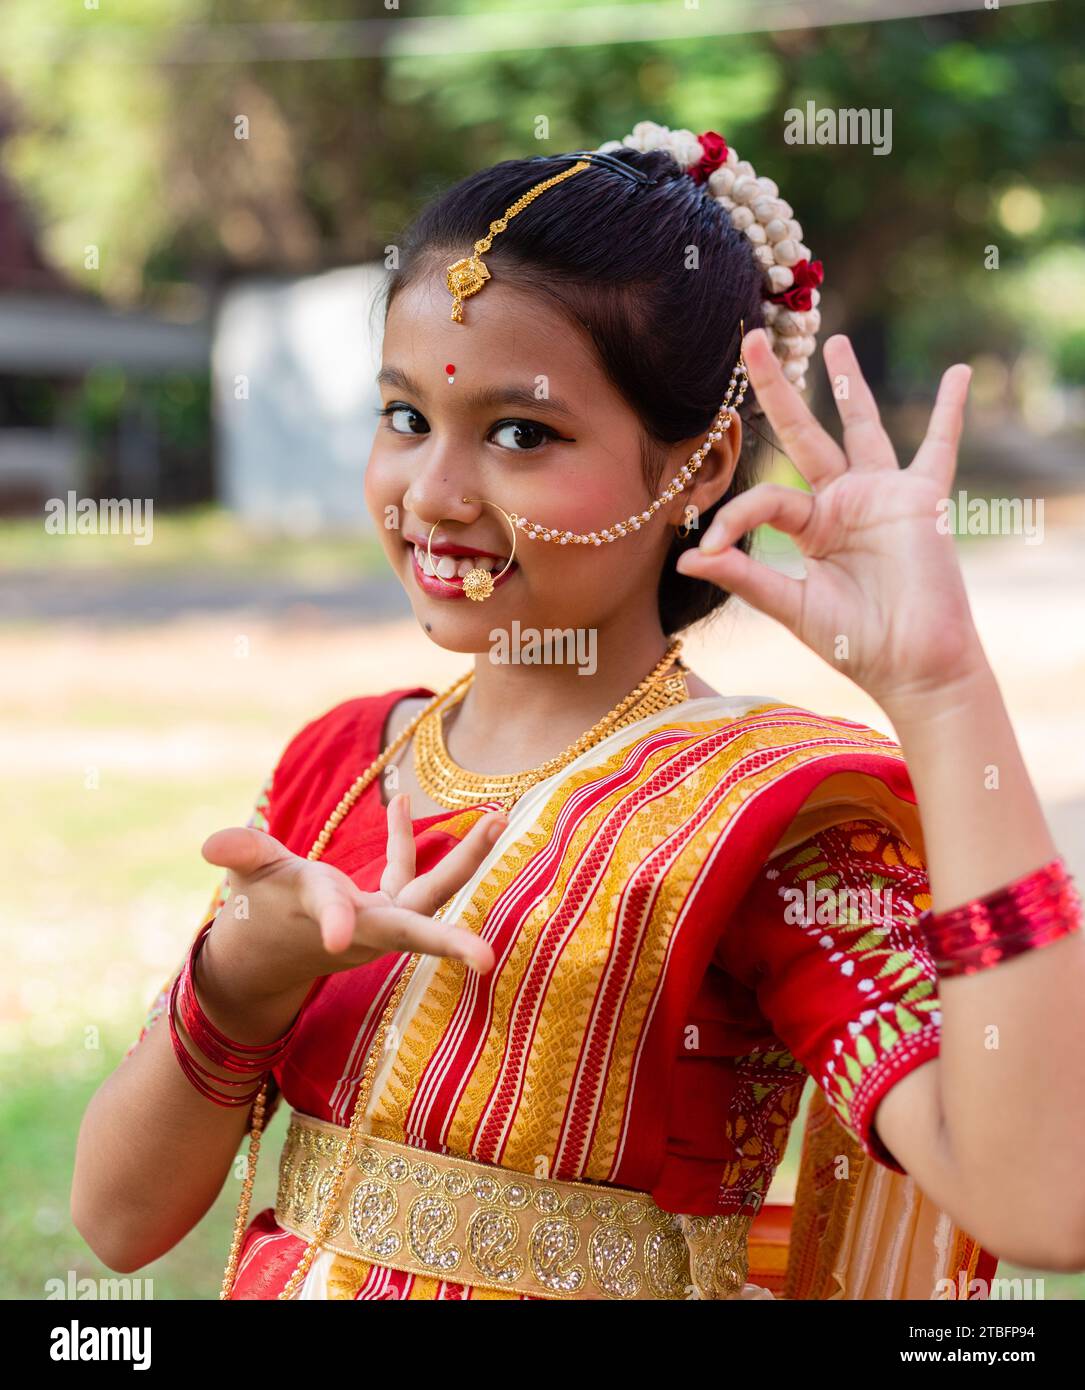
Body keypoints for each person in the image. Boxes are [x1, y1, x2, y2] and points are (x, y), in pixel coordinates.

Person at [72, 122, 1085, 1301]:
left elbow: (1044, 1200)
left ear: (697, 470)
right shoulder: (345, 765)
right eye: (404, 416)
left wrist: (942, 690)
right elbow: (117, 1222)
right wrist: (244, 978)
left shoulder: (763, 815)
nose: (432, 494)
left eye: (520, 433)